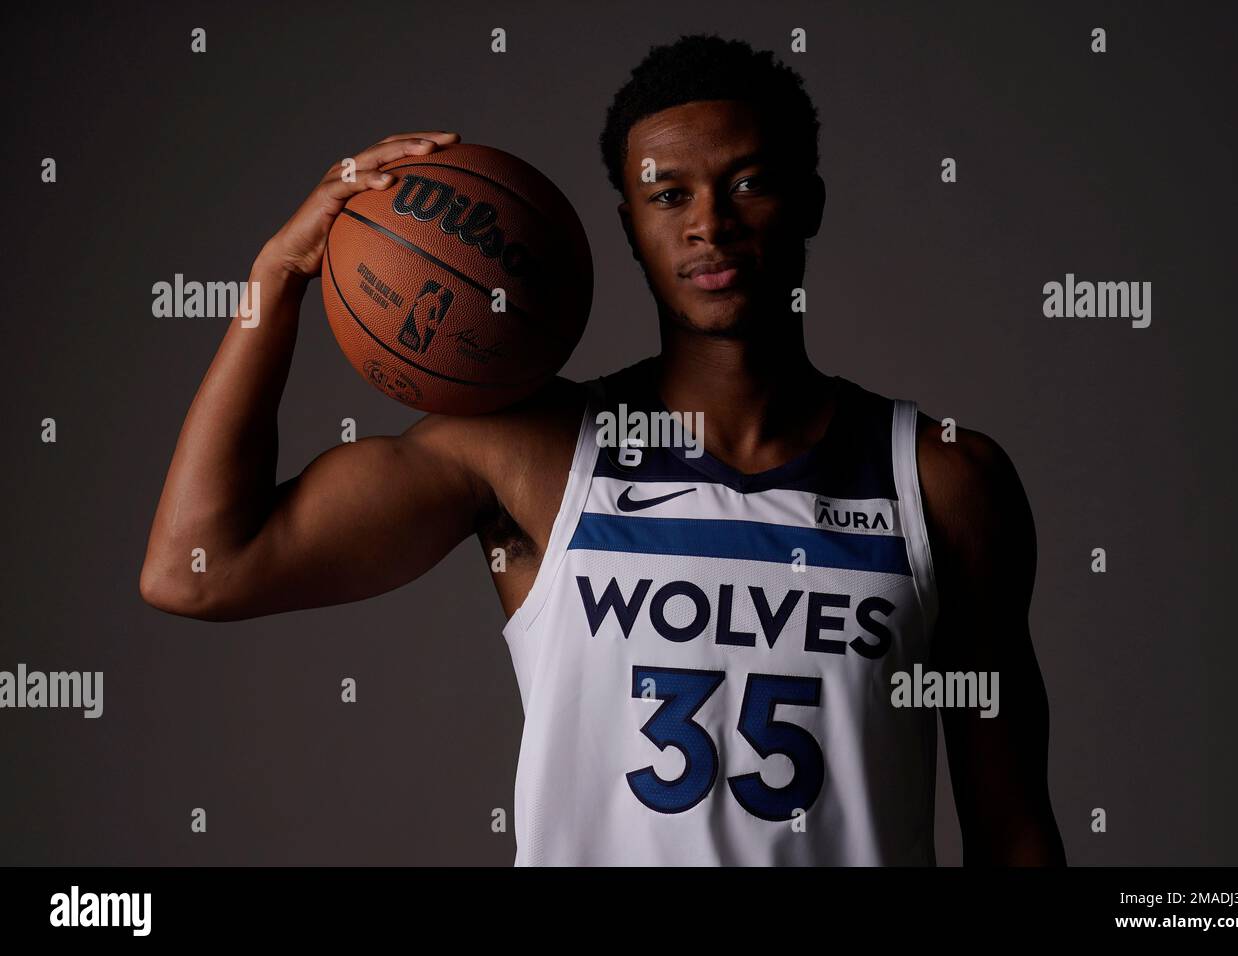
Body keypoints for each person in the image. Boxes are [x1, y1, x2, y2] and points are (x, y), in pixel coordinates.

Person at [140, 34, 1065, 866]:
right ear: (628, 224)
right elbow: (200, 569)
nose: (711, 223)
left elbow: (1013, 831)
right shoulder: (530, 456)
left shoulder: (943, 480)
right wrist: (279, 277)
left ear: (809, 202)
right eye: (669, 194)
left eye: (749, 182)